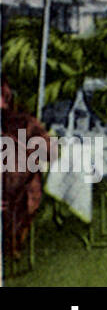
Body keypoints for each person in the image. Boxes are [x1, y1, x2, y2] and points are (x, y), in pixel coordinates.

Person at [2, 82, 53, 260]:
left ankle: (13, 242)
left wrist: (24, 147)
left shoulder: (25, 123)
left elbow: (49, 152)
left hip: (18, 188)